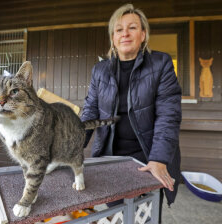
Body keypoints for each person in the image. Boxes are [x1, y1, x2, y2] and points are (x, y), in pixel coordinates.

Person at [81, 3, 182, 221]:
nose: (125, 33)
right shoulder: (100, 71)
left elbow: (168, 116)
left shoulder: (161, 63)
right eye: (119, 29)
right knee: (116, 215)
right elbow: (89, 111)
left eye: (132, 27)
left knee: (144, 216)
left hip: (146, 158)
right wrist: (69, 148)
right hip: (110, 158)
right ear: (113, 37)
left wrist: (158, 159)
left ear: (143, 34)